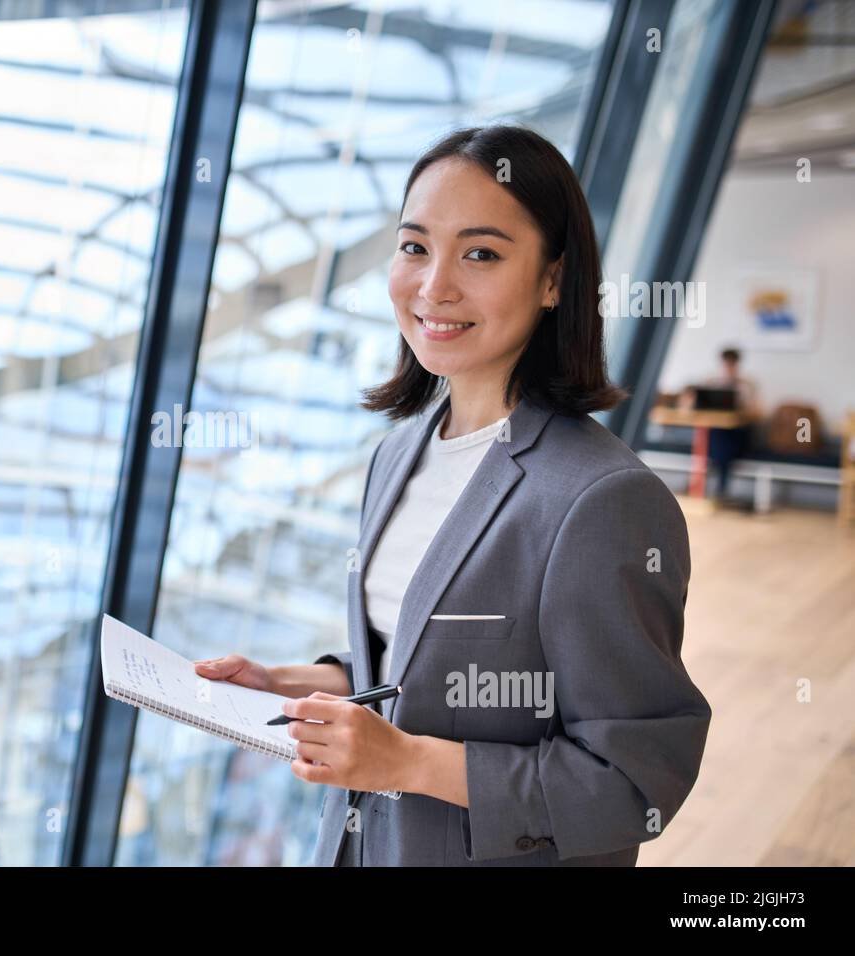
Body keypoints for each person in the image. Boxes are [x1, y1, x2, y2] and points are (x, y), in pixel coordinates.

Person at [193, 124, 711, 866]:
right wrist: (286, 682)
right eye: (414, 247)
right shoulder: (399, 453)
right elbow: (416, 667)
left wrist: (405, 763)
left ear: (554, 279)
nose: (435, 285)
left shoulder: (602, 501)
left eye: (481, 254)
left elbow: (634, 784)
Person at [704, 347, 761, 504]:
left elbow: (756, 412)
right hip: (717, 433)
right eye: (726, 364)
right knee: (716, 434)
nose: (728, 368)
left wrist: (743, 406)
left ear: (737, 365)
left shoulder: (746, 386)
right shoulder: (711, 384)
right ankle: (720, 489)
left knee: (722, 439)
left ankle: (711, 486)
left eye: (731, 364)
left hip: (739, 435)